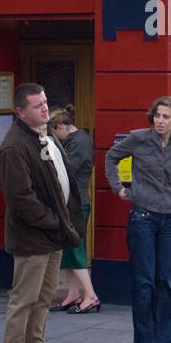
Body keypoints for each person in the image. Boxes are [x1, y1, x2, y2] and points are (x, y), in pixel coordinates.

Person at [0, 83, 84, 343]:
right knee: (24, 299)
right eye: (37, 105)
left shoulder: (44, 136)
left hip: (52, 233)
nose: (45, 108)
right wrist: (55, 222)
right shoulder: (14, 146)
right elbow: (22, 200)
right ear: (20, 112)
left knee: (45, 297)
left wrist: (63, 223)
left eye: (46, 102)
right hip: (32, 236)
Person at [105, 95, 171, 343]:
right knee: (144, 282)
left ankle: (165, 341)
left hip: (169, 218)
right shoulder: (138, 138)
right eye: (157, 115)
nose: (159, 121)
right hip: (142, 216)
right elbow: (112, 157)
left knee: (165, 282)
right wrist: (118, 187)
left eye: (166, 117)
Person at [49, 106, 100, 313]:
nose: (56, 138)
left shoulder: (79, 142)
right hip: (70, 203)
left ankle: (90, 295)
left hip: (76, 204)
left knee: (76, 249)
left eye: (55, 133)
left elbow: (67, 170)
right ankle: (73, 294)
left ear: (61, 126)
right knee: (69, 250)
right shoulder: (75, 141)